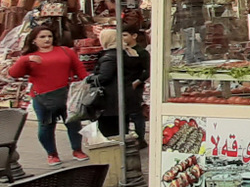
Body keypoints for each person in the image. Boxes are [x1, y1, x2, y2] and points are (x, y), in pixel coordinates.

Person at [8, 24, 88, 164]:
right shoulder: (29, 57)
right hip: (43, 98)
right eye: (42, 37)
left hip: (66, 95)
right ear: (34, 40)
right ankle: (52, 154)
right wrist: (25, 60)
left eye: (49, 36)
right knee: (47, 126)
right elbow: (13, 74)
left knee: (74, 124)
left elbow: (80, 69)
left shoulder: (66, 51)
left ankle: (77, 150)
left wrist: (87, 83)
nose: (47, 40)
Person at [95, 28, 148, 142]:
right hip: (127, 94)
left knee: (110, 133)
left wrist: (91, 79)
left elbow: (105, 77)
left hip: (111, 100)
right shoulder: (129, 53)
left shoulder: (110, 56)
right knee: (123, 128)